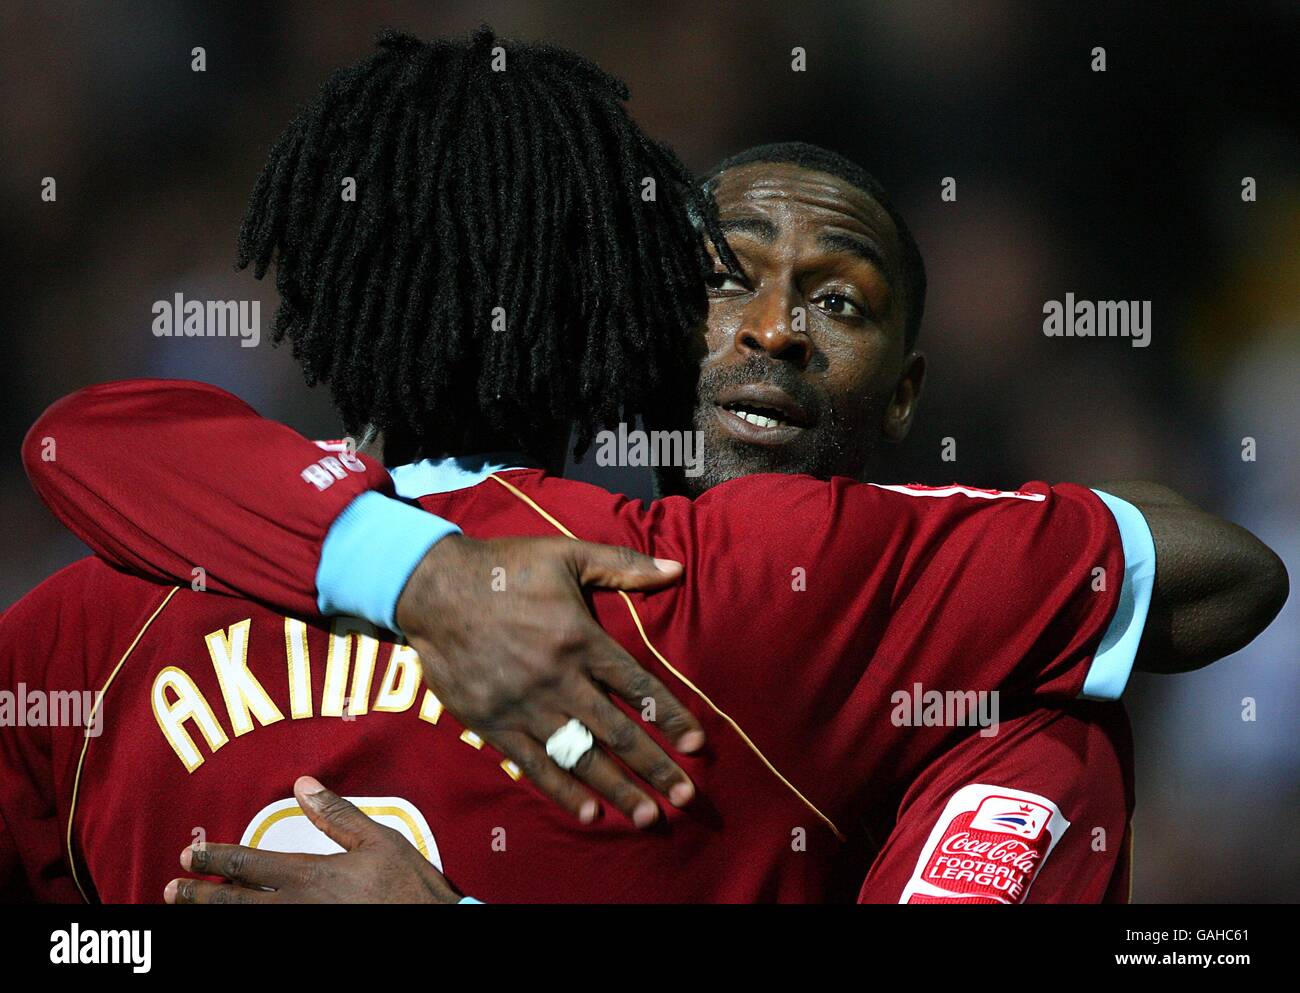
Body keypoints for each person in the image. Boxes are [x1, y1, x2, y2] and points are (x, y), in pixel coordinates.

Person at [14, 114, 1286, 900]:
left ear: (907, 395)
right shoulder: (721, 582)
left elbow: (79, 436)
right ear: (635, 321)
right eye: (725, 282)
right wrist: (422, 572)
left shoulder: (991, 688)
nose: (776, 331)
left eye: (836, 302)